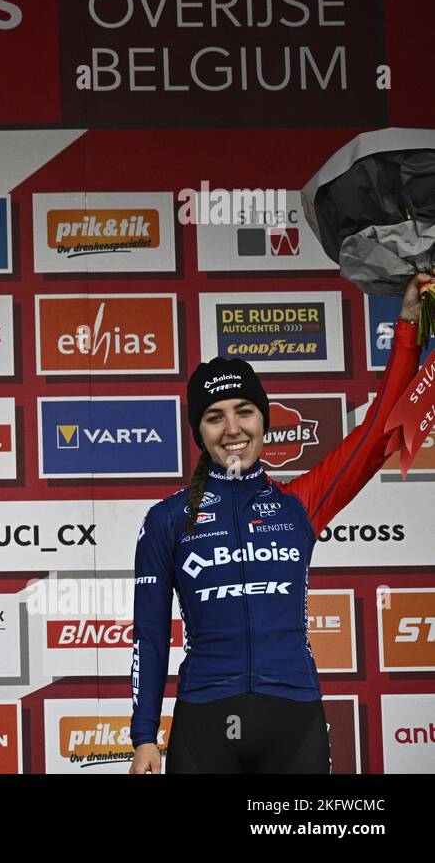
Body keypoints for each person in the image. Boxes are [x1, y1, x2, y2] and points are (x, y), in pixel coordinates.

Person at [130, 274, 429, 774]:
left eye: (244, 412)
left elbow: (380, 431)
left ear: (264, 420)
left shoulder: (299, 504)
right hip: (204, 723)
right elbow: (151, 633)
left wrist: (408, 329)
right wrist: (144, 737)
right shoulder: (167, 519)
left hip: (293, 720)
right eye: (214, 417)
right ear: (199, 432)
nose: (232, 429)